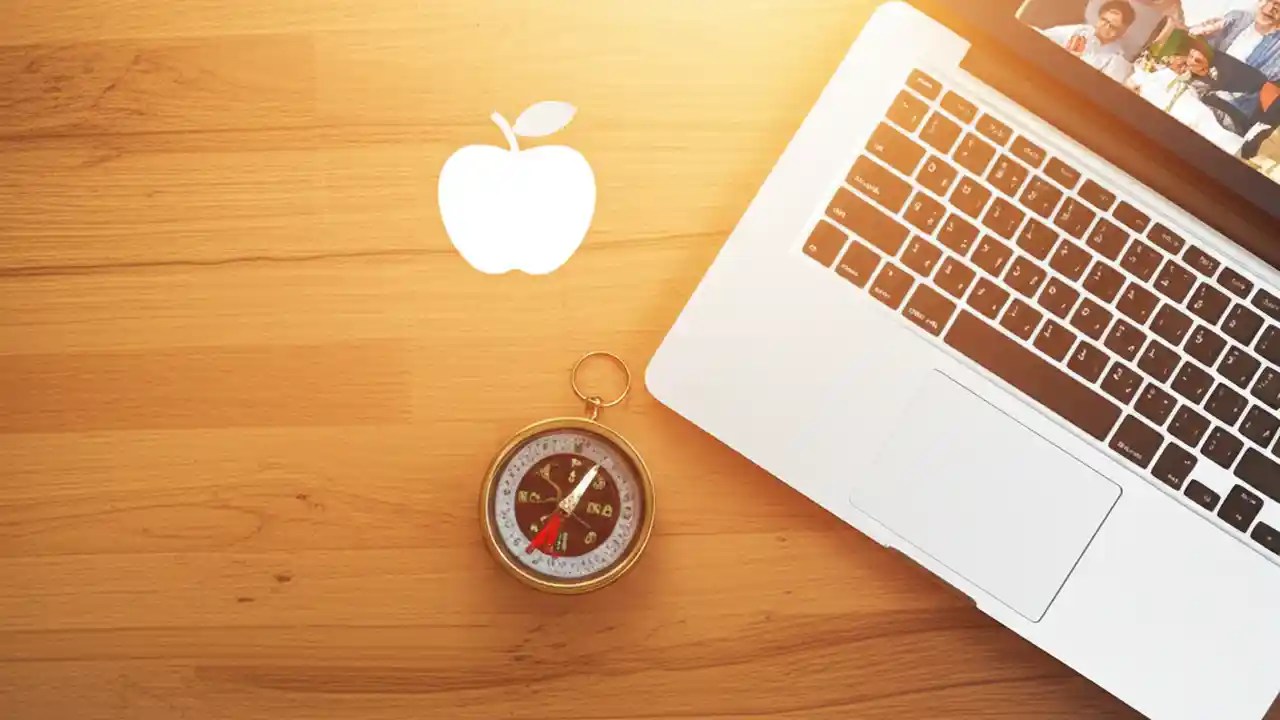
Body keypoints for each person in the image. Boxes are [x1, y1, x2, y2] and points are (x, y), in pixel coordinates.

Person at [1190, 0, 1280, 131]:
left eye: (1278, 5)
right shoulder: (1238, 18)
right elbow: (1199, 43)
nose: (1271, 8)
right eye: (1269, 0)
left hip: (1231, 111)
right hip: (1199, 91)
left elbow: (1256, 82)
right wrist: (1201, 36)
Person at [1043, 1, 1140, 82]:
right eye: (1104, 20)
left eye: (1112, 26)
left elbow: (1105, 89)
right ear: (1099, 17)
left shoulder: (1116, 60)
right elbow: (1043, 36)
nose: (1105, 27)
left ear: (1122, 31)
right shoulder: (1080, 31)